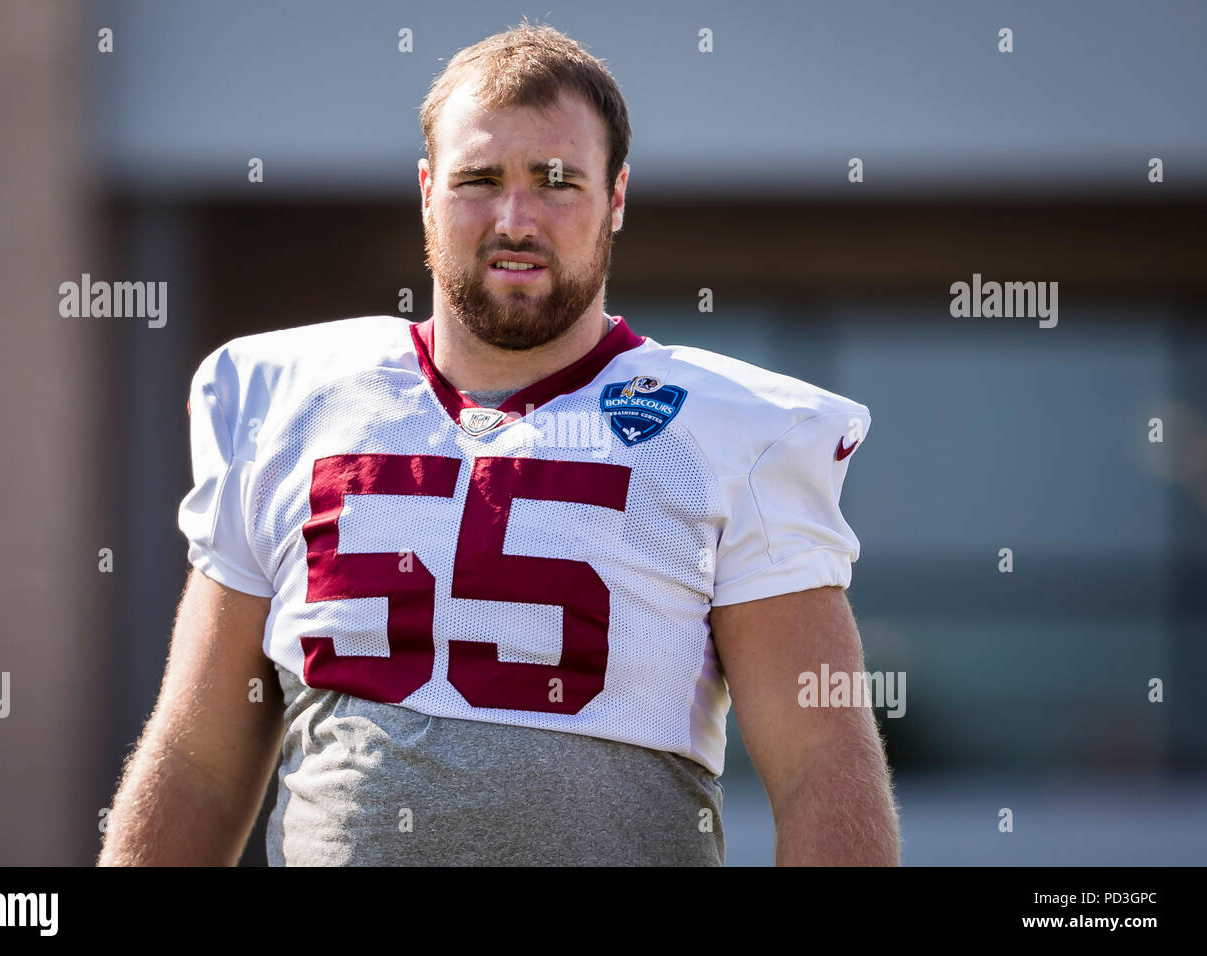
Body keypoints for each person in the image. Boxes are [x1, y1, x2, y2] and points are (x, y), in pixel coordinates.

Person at [98, 21, 899, 867]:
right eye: (479, 179)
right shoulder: (287, 401)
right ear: (426, 192)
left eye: (558, 182)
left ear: (616, 198)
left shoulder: (731, 432)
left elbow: (821, 765)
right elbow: (197, 764)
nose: (516, 219)